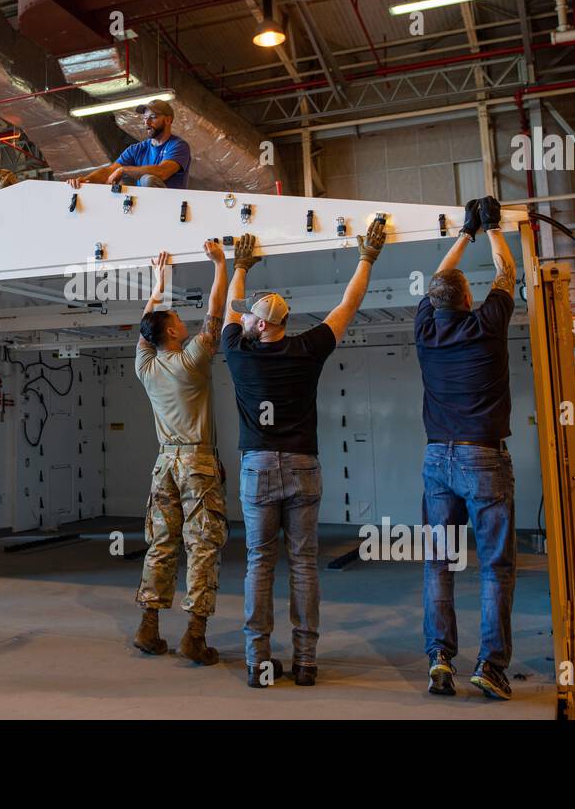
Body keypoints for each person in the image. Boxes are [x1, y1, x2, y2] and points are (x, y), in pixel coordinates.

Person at [222, 221, 386, 688]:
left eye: (249, 316)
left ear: (258, 324)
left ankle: (258, 663)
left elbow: (231, 317)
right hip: (302, 467)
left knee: (259, 561)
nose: (244, 320)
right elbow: (347, 306)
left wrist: (241, 267)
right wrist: (366, 258)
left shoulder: (238, 352)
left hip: (258, 468)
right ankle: (306, 662)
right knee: (304, 562)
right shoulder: (308, 349)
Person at [416, 195, 518, 700]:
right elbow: (508, 273)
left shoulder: (426, 329)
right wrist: (493, 227)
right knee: (494, 565)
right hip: (482, 457)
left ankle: (440, 660)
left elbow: (438, 276)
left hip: (438, 459)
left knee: (439, 563)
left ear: (434, 303)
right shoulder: (488, 323)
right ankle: (490, 666)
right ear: (466, 299)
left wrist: (464, 234)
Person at [132, 239, 229, 665]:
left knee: (162, 543)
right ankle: (194, 635)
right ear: (171, 331)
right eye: (174, 317)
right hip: (197, 462)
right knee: (203, 543)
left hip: (163, 464)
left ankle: (149, 627)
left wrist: (159, 282)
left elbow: (143, 324)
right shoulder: (191, 361)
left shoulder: (146, 366)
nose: (180, 318)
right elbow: (216, 313)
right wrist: (220, 265)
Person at [69, 98, 191, 189]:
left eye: (153, 117)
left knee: (147, 179)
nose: (147, 122)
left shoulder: (178, 146)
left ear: (168, 120)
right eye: (144, 118)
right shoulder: (137, 149)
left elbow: (162, 172)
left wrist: (123, 170)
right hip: (144, 208)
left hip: (170, 208)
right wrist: (85, 180)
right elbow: (109, 171)